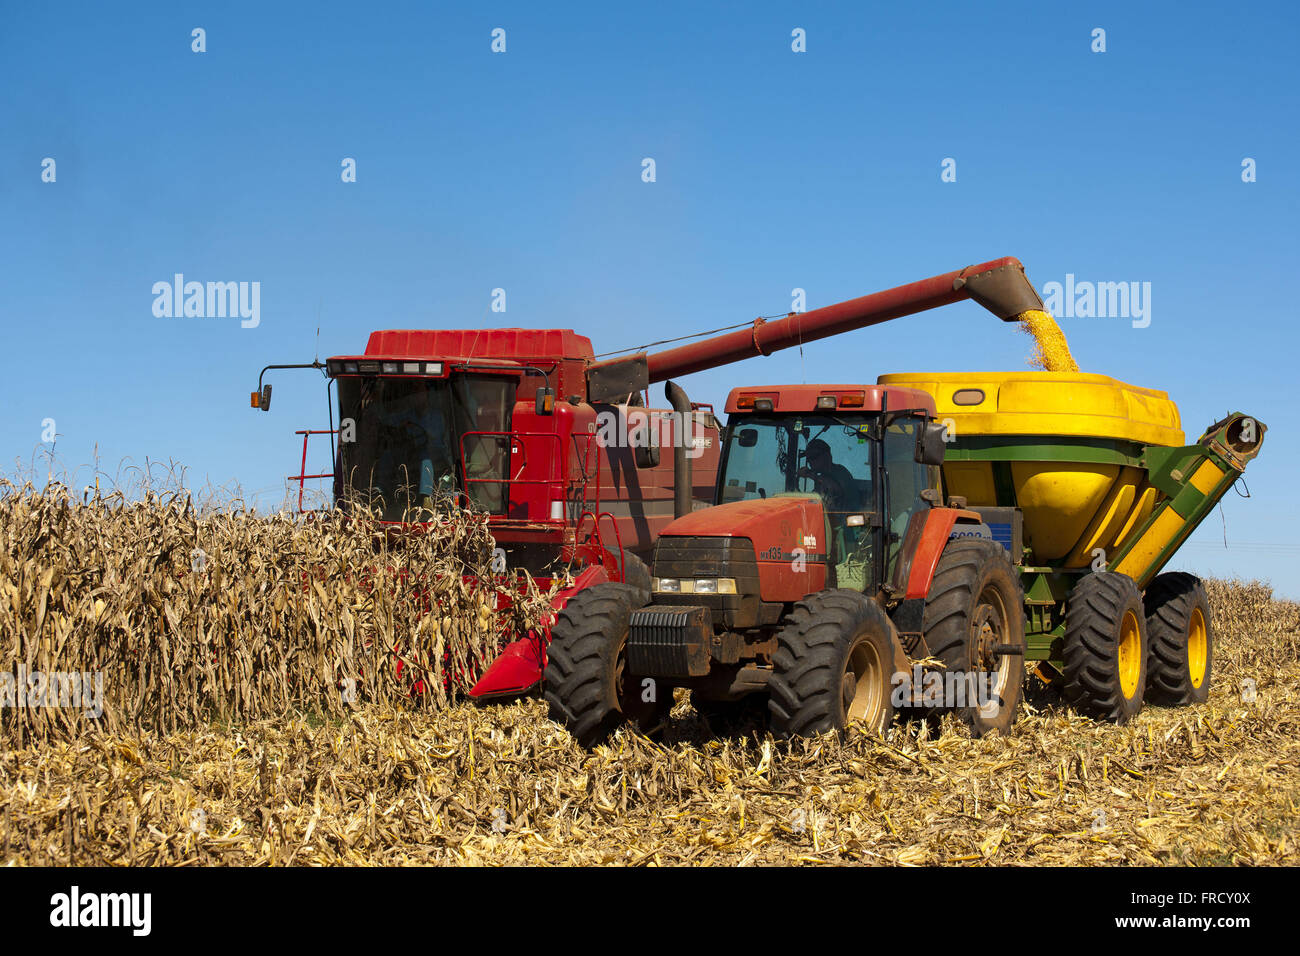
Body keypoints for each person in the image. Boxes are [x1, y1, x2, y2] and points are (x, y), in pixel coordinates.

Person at [797, 439, 864, 514]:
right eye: (808, 458)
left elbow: (834, 488)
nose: (809, 461)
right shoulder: (821, 478)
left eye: (813, 457)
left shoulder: (840, 472)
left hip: (845, 521)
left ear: (827, 456)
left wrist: (809, 474)